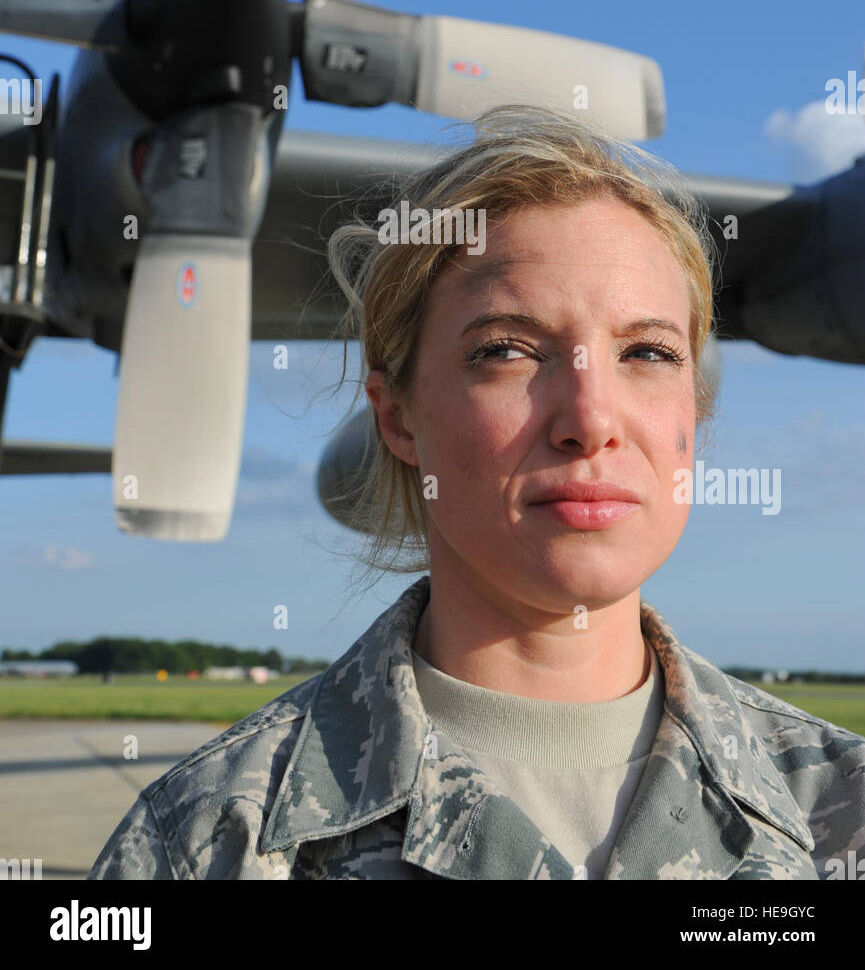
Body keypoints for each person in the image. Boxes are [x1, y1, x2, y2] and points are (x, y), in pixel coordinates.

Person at [88, 103, 865, 880]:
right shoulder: (205, 845)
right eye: (506, 350)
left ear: (692, 411)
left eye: (648, 352)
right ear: (396, 416)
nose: (590, 421)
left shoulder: (842, 814)